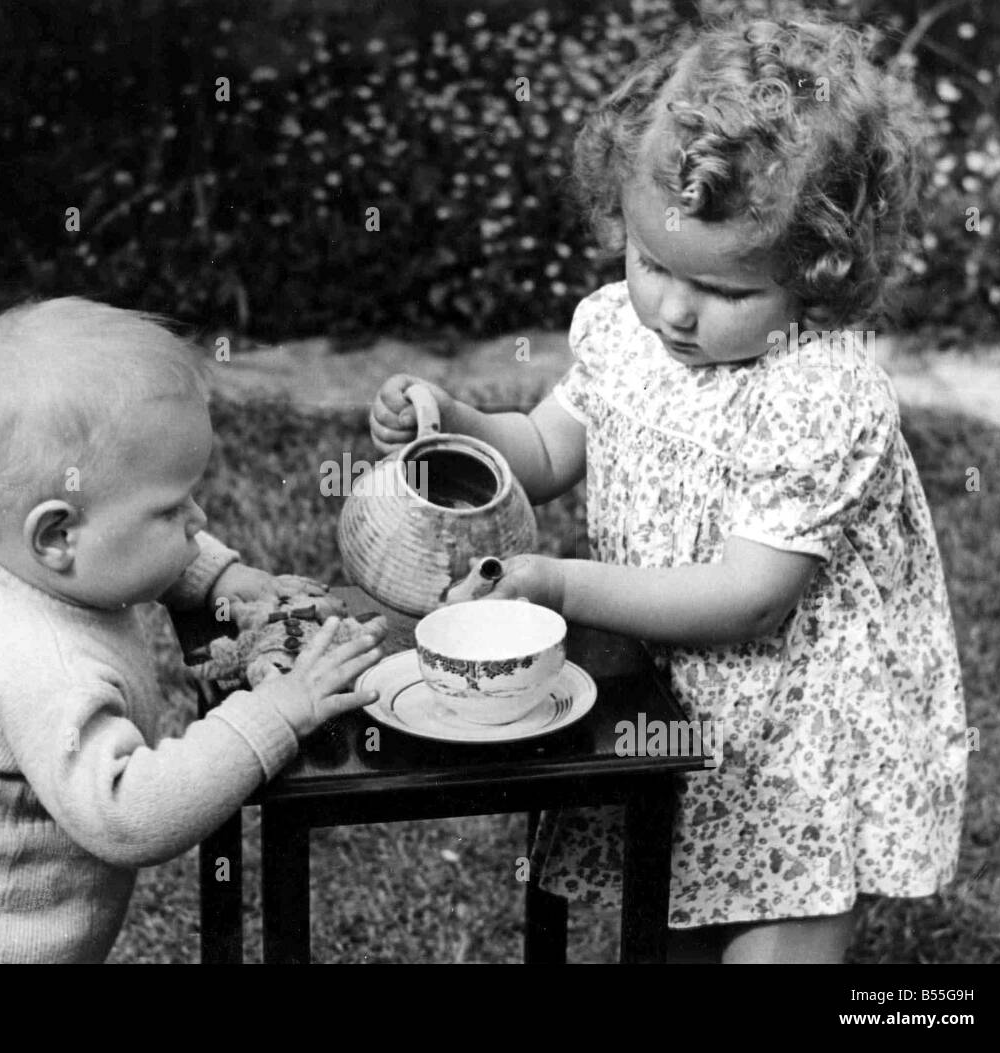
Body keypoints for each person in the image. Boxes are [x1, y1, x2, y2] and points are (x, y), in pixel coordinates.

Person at [369, 13, 966, 963]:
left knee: (776, 938)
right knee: (674, 915)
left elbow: (750, 598)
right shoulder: (624, 332)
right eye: (652, 263)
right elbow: (546, 447)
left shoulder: (819, 390)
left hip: (797, 730)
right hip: (672, 701)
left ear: (820, 270)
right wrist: (457, 424)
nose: (674, 311)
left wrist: (560, 585)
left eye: (726, 293)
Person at [0, 296, 386, 962]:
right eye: (171, 510)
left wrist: (211, 576)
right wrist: (275, 712)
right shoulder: (38, 668)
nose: (199, 518)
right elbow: (132, 814)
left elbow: (114, 553)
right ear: (56, 535)